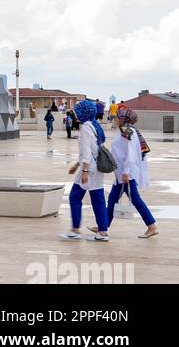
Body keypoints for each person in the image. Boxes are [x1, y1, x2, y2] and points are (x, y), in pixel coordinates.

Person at [61, 98, 110, 241]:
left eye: (78, 111)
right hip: (96, 167)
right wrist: (76, 165)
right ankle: (102, 232)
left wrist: (84, 171)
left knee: (75, 197)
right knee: (98, 199)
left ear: (83, 112)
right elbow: (92, 150)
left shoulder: (86, 128)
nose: (76, 114)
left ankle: (75, 229)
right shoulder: (94, 125)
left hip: (89, 168)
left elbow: (87, 151)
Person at [105, 109, 158, 238]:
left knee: (135, 200)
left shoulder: (129, 132)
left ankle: (152, 226)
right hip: (120, 174)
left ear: (124, 119)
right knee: (112, 200)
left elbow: (131, 154)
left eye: (117, 117)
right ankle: (103, 227)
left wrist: (126, 172)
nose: (115, 119)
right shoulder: (122, 131)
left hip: (126, 174)